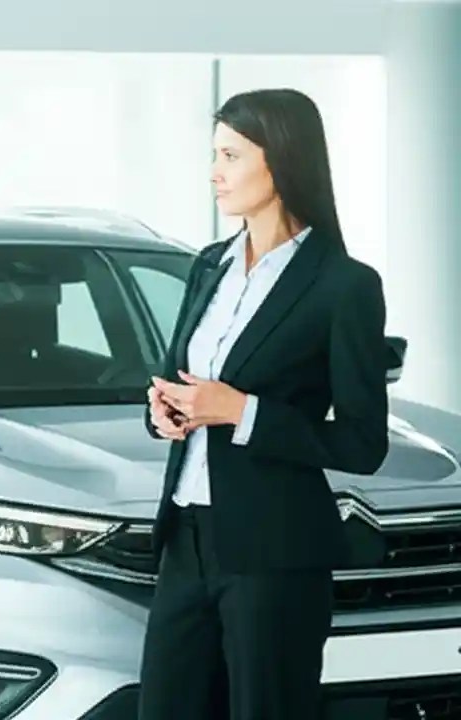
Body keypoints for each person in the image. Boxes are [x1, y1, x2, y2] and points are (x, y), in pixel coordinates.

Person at [138, 88, 390, 719]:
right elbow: (183, 380)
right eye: (213, 154)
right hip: (184, 539)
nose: (213, 173)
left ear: (279, 161)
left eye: (230, 155)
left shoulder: (344, 287)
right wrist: (167, 412)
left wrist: (241, 412)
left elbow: (363, 443)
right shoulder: (207, 267)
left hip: (274, 555)